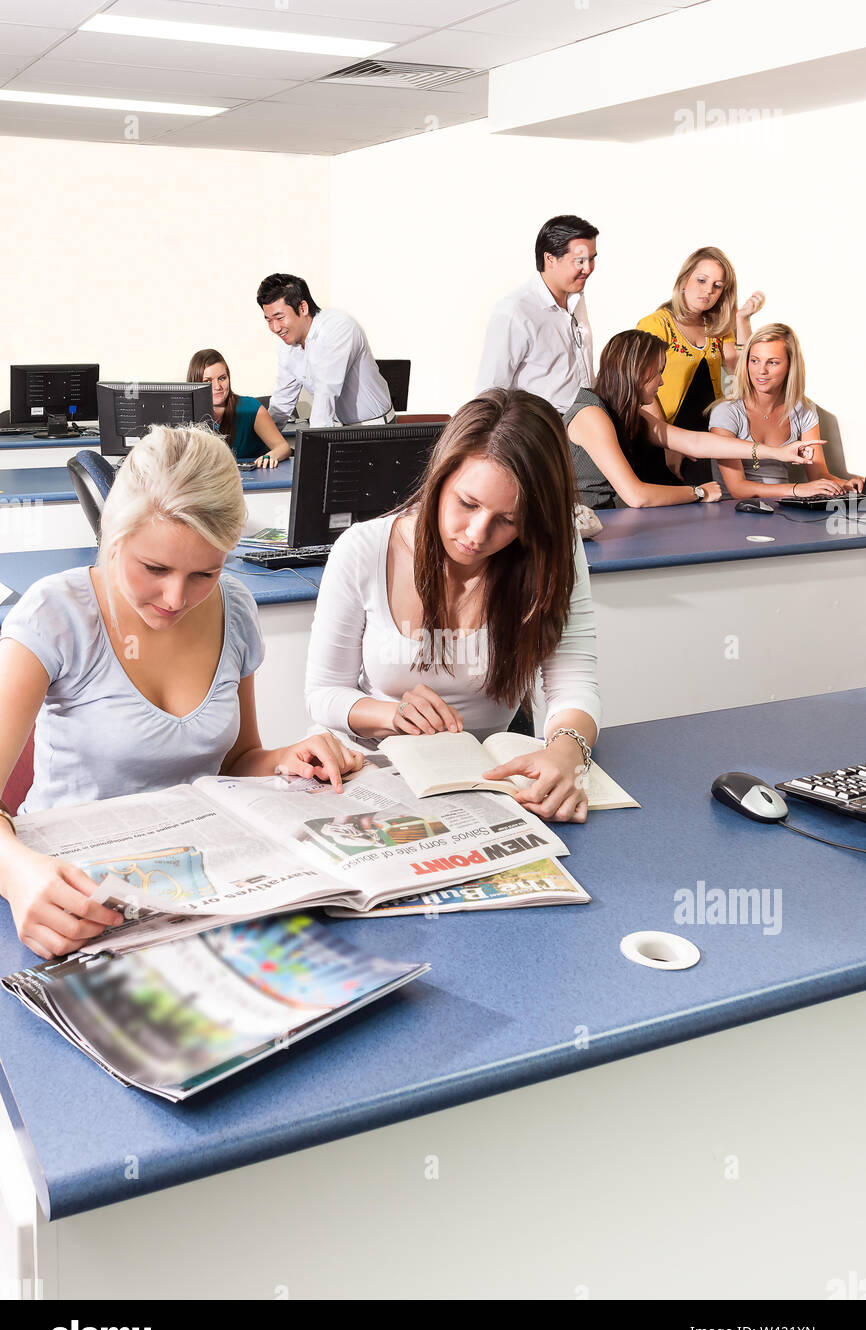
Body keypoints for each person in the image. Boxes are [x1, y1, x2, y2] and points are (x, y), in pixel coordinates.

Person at [0, 425, 362, 959]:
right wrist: (16, 874)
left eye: (204, 573)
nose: (175, 597)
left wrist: (287, 758)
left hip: (200, 885)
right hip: (71, 897)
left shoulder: (235, 610)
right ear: (115, 537)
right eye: (155, 568)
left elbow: (237, 759)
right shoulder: (57, 613)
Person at [305, 388, 602, 825]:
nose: (477, 535)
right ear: (441, 477)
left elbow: (574, 682)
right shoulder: (364, 548)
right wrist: (393, 714)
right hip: (366, 770)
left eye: (509, 520)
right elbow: (323, 694)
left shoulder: (552, 550)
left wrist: (566, 751)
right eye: (467, 503)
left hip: (481, 779)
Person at [564, 330, 820, 510]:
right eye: (658, 373)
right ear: (639, 373)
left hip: (606, 522)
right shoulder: (591, 415)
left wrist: (778, 453)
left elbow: (694, 443)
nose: (662, 382)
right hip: (583, 533)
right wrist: (699, 492)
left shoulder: (627, 413)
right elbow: (636, 495)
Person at [637, 247, 765, 482]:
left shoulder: (716, 327)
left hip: (703, 440)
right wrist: (669, 443)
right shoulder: (655, 324)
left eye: (717, 286)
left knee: (706, 505)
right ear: (684, 279)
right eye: (702, 280)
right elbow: (640, 386)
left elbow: (743, 371)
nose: (708, 290)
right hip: (662, 437)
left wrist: (742, 320)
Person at [709, 324, 863, 499]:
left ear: (790, 365)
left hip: (783, 508)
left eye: (772, 362)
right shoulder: (726, 412)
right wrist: (798, 489)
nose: (761, 371)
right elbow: (738, 489)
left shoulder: (803, 410)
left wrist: (844, 484)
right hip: (732, 512)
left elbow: (818, 475)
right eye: (755, 360)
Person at [476, 215, 598, 411]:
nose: (589, 268)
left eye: (592, 259)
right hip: (542, 431)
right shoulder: (515, 311)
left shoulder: (576, 297)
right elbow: (489, 393)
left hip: (586, 422)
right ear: (550, 259)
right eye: (580, 261)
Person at [257, 273, 394, 430]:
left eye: (279, 318)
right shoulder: (287, 344)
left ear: (303, 308)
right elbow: (282, 401)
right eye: (269, 320)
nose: (275, 328)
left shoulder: (338, 328)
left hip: (376, 428)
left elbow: (325, 393)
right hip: (339, 429)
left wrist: (313, 444)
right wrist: (265, 442)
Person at [187, 348, 290, 470]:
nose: (217, 386)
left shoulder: (250, 408)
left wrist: (270, 456)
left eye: (222, 378)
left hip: (252, 482)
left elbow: (283, 447)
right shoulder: (184, 413)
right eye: (208, 381)